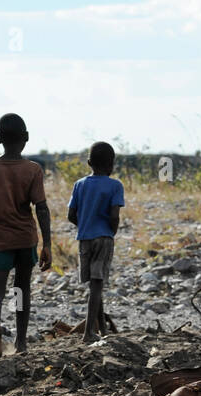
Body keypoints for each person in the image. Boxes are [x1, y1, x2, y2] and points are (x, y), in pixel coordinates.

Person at [0, 113, 52, 354]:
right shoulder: (32, 169)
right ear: (26, 138)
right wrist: (47, 244)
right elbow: (41, 207)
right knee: (21, 289)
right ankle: (20, 342)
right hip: (25, 239)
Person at [67, 141, 124, 343]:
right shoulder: (115, 186)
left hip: (84, 239)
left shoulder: (79, 185)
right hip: (104, 238)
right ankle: (89, 332)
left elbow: (71, 214)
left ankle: (102, 329)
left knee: (94, 284)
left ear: (89, 162)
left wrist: (84, 224)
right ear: (112, 165)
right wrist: (112, 231)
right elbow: (114, 215)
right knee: (97, 285)